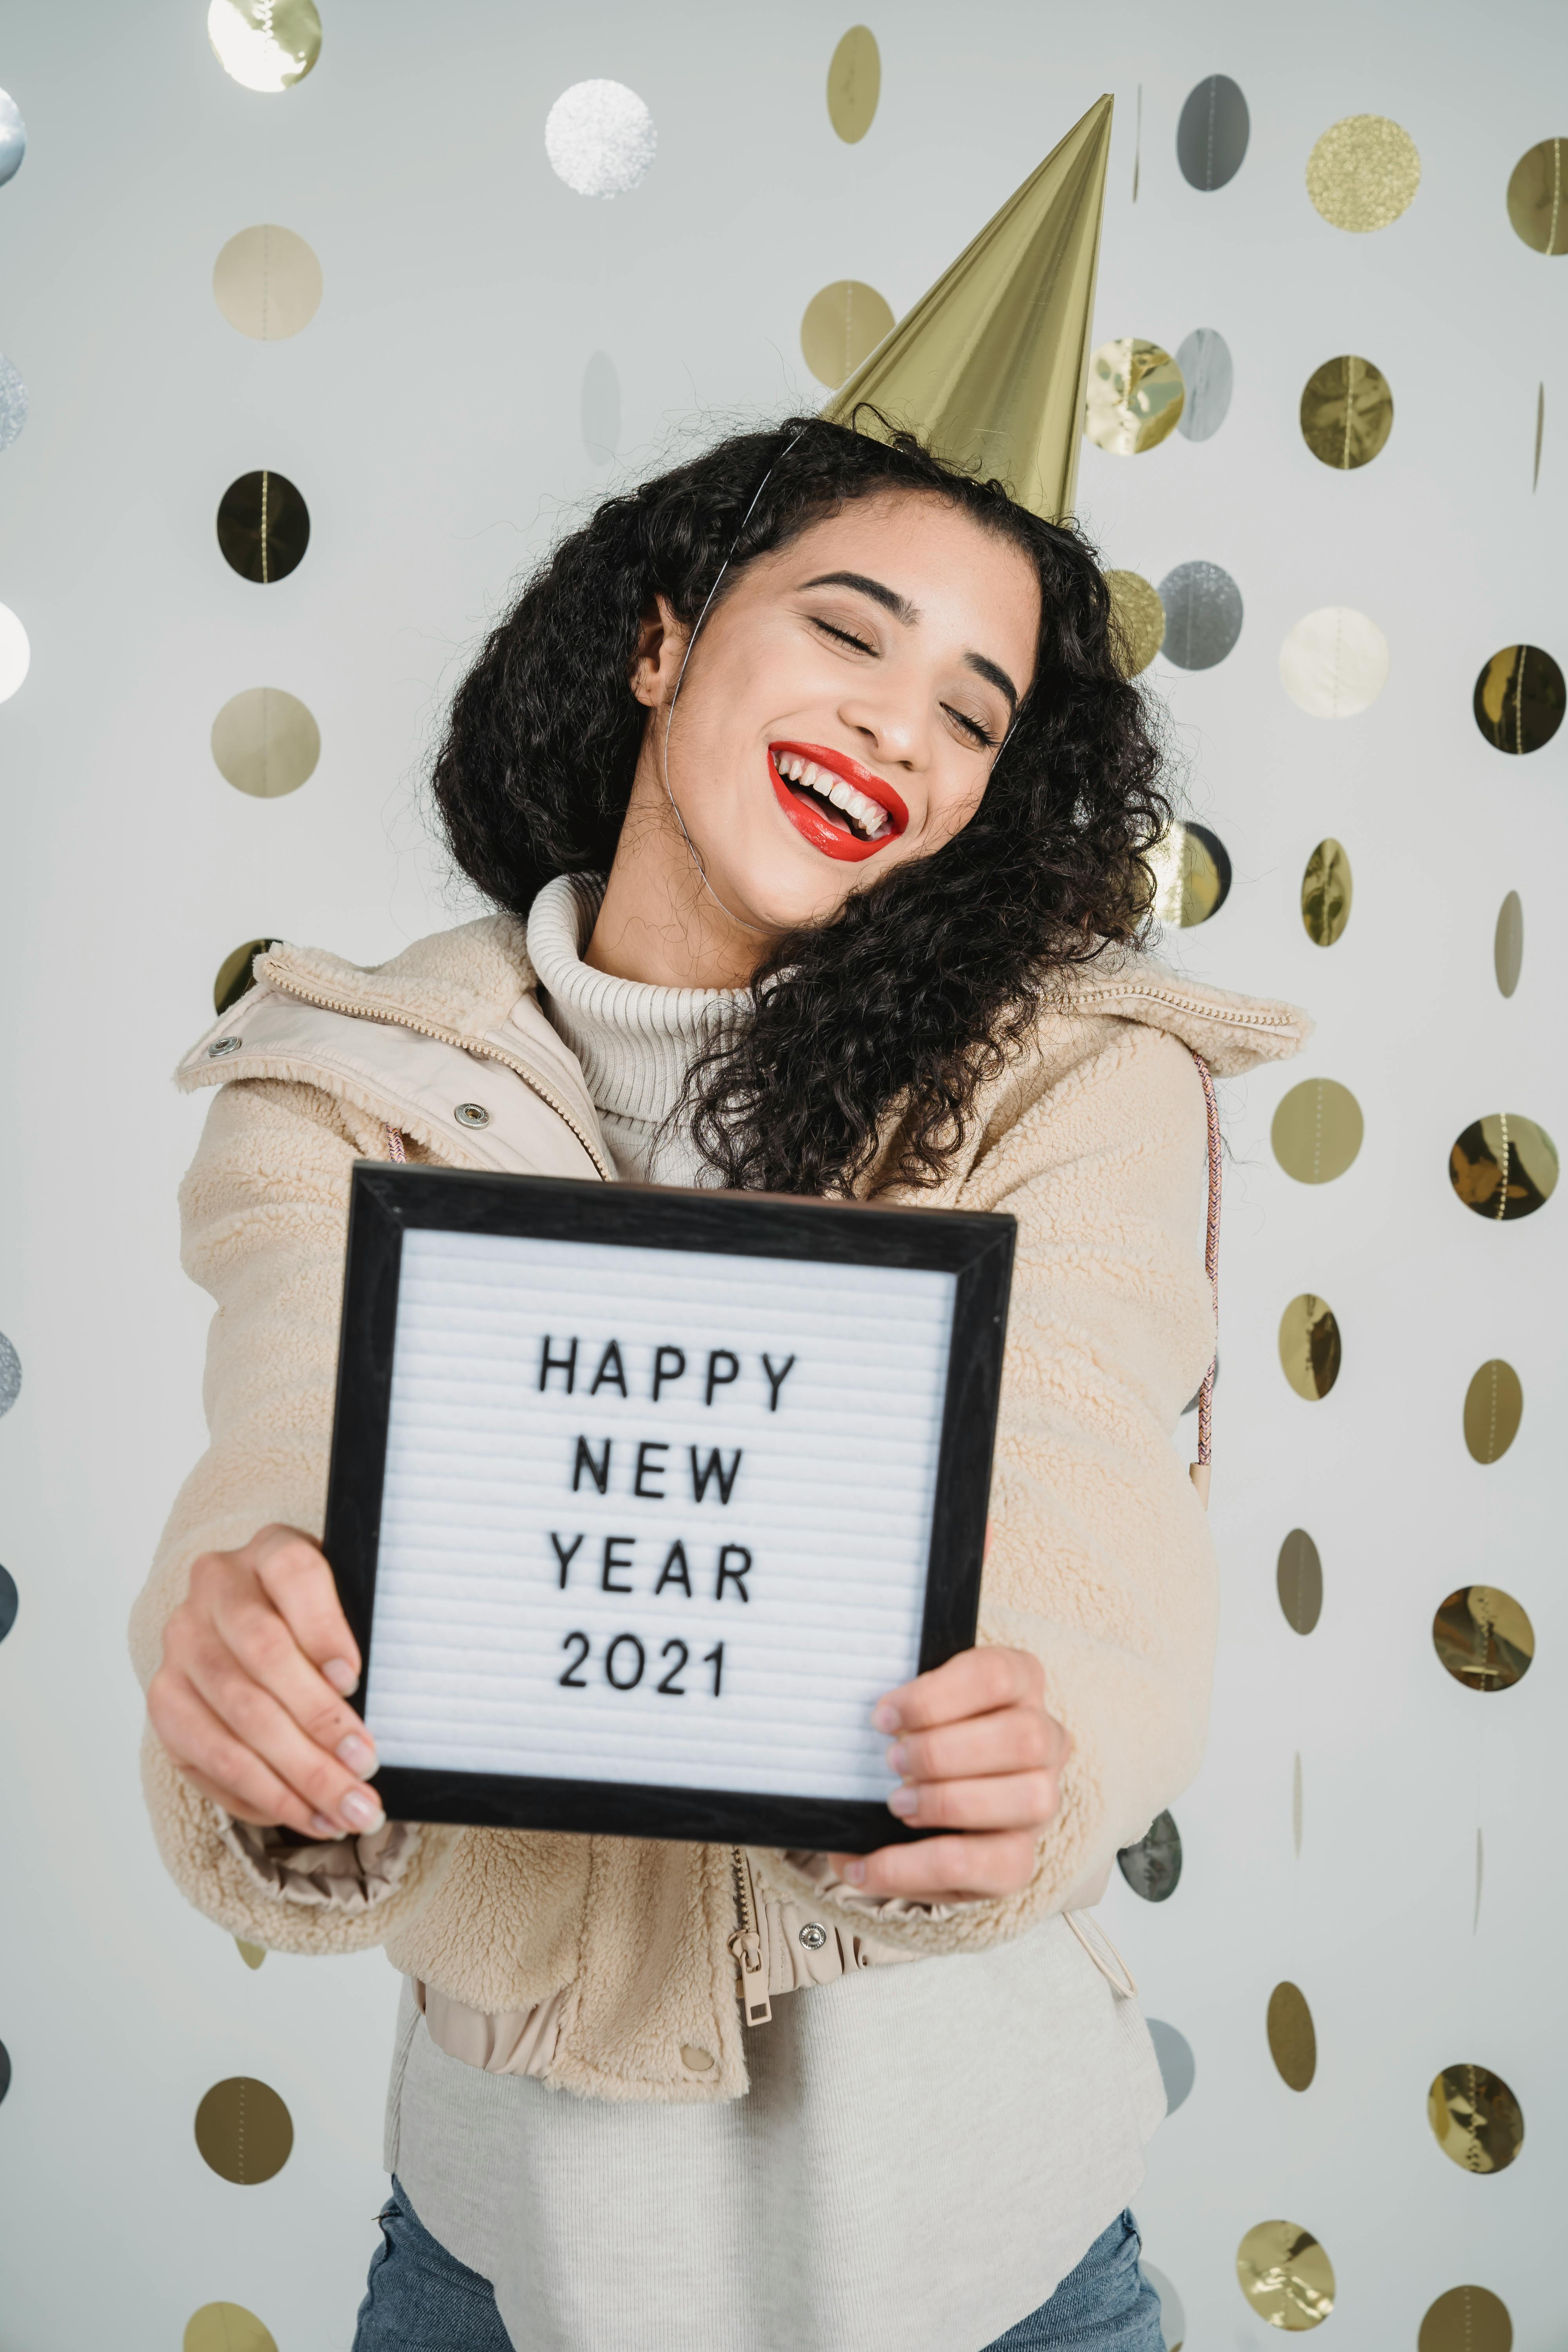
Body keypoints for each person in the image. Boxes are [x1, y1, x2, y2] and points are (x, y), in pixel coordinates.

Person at [129, 409, 1306, 2350]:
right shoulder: (341, 1082)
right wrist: (263, 1683)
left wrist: (1034, 1743)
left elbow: (1092, 1507)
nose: (896, 728)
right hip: (499, 2265)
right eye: (849, 631)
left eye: (971, 711)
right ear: (662, 637)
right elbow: (279, 1440)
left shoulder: (1082, 1082)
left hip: (998, 2270)